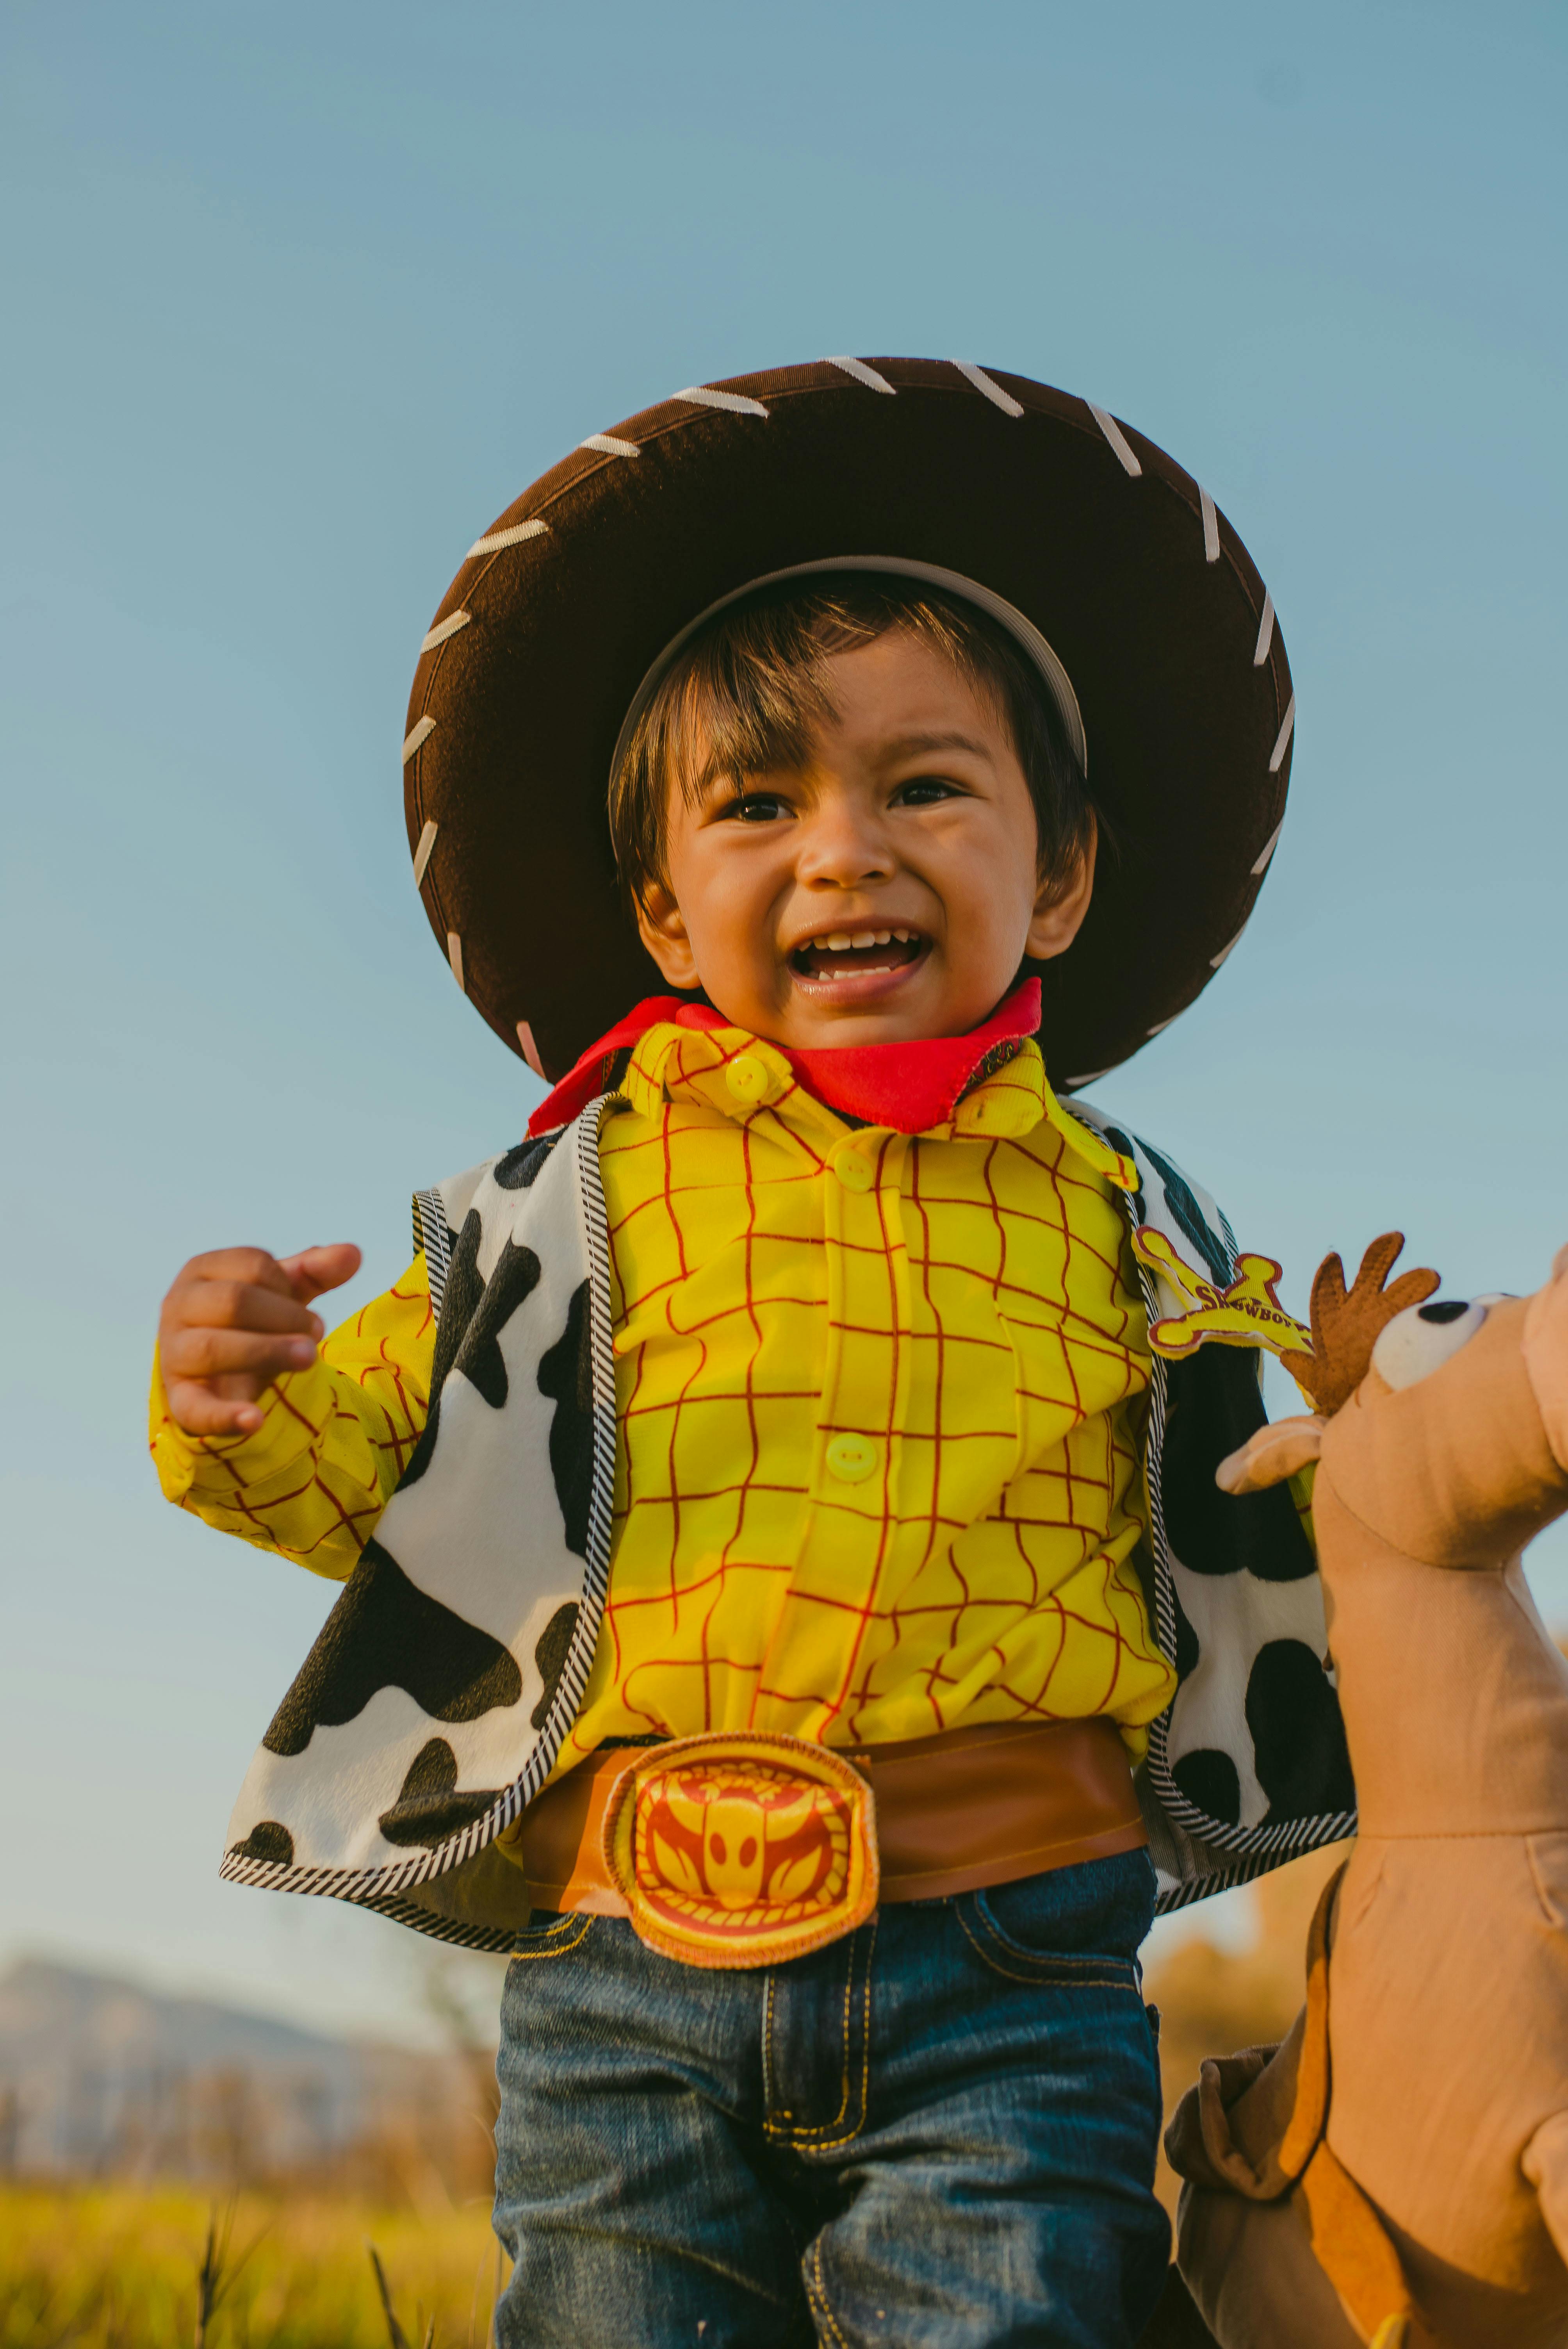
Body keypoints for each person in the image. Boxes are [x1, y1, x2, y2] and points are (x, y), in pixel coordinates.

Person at [150, 359, 1341, 2349]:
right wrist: (245, 1396)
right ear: (666, 914)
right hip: (626, 1968)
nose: (843, 850)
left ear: (1052, 873)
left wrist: (1389, 1464)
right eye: (758, 804)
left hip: (1013, 1961)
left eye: (924, 786)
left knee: (1015, 2316)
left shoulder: (1132, 1225)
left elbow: (1273, 1502)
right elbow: (372, 1482)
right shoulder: (558, 1206)